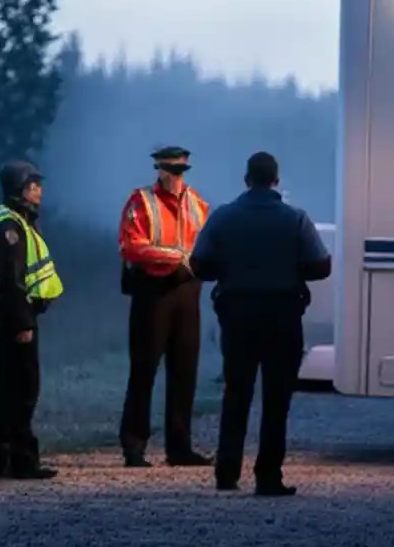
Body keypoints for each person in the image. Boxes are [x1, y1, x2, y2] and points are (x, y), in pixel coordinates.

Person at [189, 152, 332, 496]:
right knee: (276, 399)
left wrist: (228, 272)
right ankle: (268, 476)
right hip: (283, 315)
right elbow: (321, 265)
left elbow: (198, 264)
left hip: (237, 315)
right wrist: (291, 271)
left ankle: (227, 472)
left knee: (236, 393)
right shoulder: (295, 219)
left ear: (246, 179)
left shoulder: (223, 217)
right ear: (276, 181)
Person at [117, 145, 213, 468]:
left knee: (185, 371)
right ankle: (134, 446)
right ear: (158, 169)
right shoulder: (141, 201)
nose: (175, 177)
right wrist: (177, 259)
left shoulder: (199, 204)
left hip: (187, 292)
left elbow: (208, 246)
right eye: (170, 171)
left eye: (181, 171)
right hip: (153, 292)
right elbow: (132, 246)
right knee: (143, 370)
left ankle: (179, 447)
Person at [0, 161, 63, 480]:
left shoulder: (17, 221)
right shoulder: (9, 227)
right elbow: (9, 282)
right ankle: (19, 461)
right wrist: (22, 324)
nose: (39, 191)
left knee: (8, 388)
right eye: (33, 185)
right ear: (19, 189)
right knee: (21, 389)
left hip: (16, 316)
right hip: (14, 318)